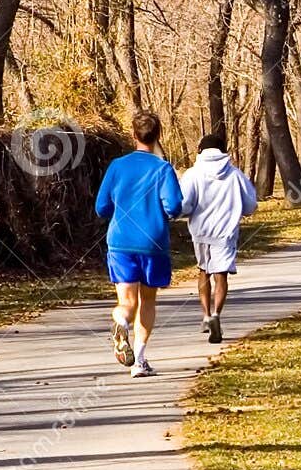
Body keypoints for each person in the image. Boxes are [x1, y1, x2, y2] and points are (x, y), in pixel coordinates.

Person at [95, 112, 183, 378]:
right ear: (158, 136)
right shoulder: (163, 168)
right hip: (152, 242)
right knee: (148, 300)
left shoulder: (117, 166)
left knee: (127, 301)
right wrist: (164, 212)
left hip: (121, 242)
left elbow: (101, 207)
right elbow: (174, 206)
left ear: (133, 135)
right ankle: (139, 361)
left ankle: (121, 321)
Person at [177, 131, 257, 344]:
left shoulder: (193, 174)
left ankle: (205, 315)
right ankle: (216, 315)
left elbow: (184, 205)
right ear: (223, 151)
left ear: (200, 150)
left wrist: (181, 214)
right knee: (221, 275)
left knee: (203, 271)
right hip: (226, 232)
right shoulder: (235, 175)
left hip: (201, 232)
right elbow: (250, 205)